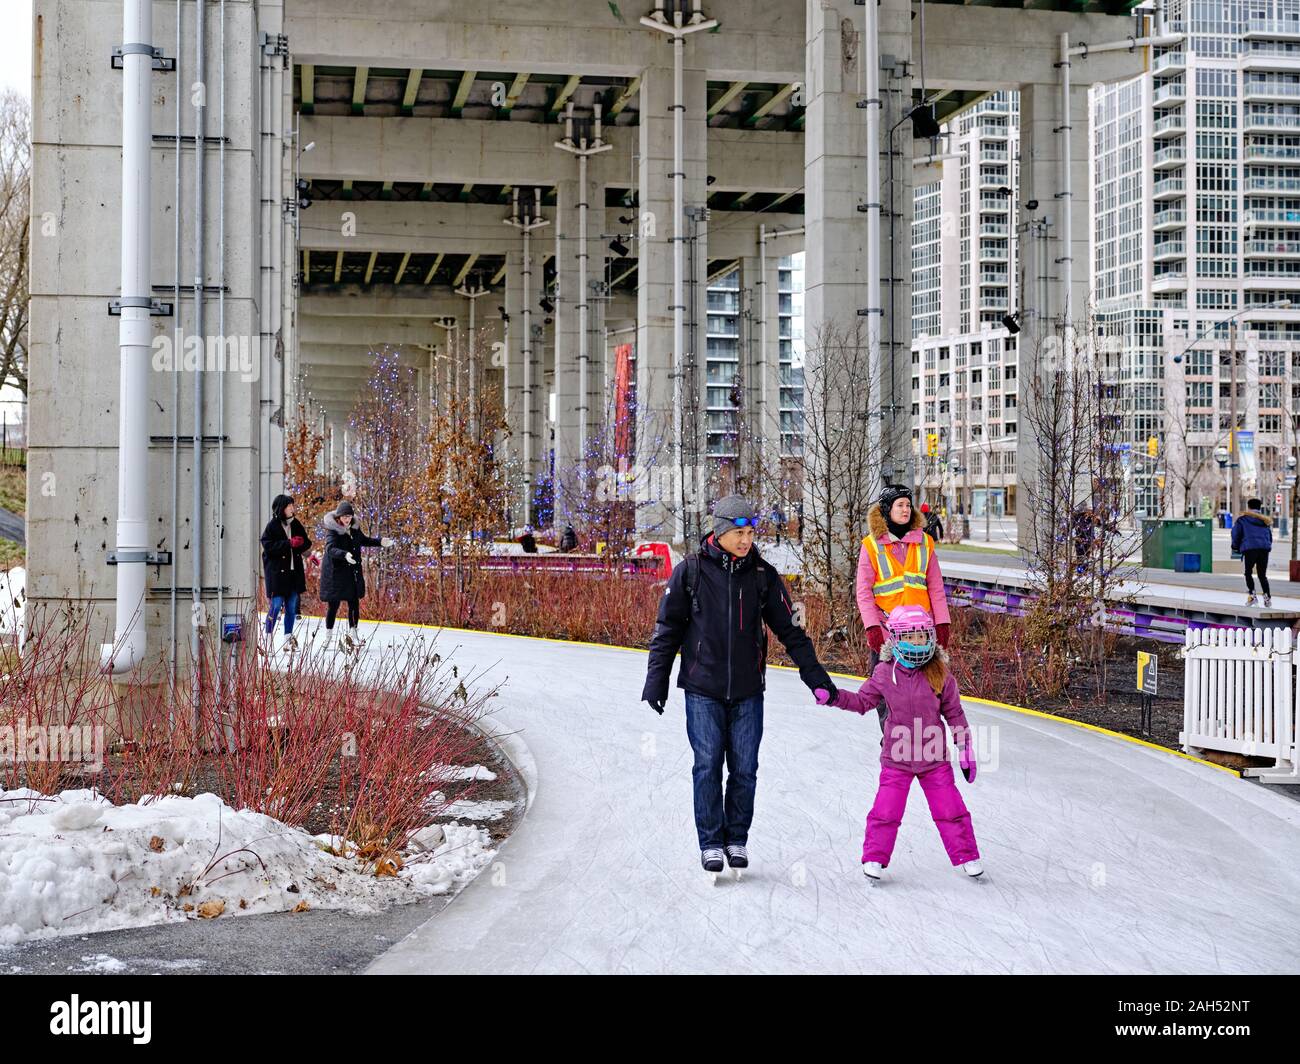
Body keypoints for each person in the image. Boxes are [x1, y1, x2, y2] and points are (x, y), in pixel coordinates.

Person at [641, 495, 837, 878]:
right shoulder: (691, 572)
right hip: (702, 688)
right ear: (720, 531)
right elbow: (667, 630)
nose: (746, 540)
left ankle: (736, 838)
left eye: (750, 532)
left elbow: (791, 632)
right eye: (738, 533)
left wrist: (816, 677)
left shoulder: (762, 576)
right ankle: (712, 842)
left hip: (748, 691)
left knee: (745, 769)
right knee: (708, 766)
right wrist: (656, 681)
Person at [814, 605, 982, 882]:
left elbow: (954, 713)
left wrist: (965, 749)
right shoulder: (883, 673)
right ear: (896, 638)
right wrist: (833, 697)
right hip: (897, 758)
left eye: (922, 636)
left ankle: (968, 855)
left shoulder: (940, 673)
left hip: (933, 759)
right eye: (910, 637)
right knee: (886, 811)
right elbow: (861, 701)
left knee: (951, 809)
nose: (918, 642)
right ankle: (874, 858)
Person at [856, 484, 951, 674]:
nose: (906, 510)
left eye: (908, 505)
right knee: (885, 691)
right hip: (887, 631)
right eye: (899, 505)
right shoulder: (871, 545)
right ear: (887, 509)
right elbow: (864, 592)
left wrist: (942, 622)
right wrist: (872, 627)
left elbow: (936, 588)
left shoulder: (925, 542)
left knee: (926, 690)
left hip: (921, 633)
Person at [319, 500, 396, 650]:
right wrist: (344, 554)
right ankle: (328, 636)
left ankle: (353, 635)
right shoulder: (333, 531)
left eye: (349, 516)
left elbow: (364, 540)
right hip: (335, 574)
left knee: (354, 603)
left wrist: (381, 542)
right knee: (333, 606)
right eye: (344, 516)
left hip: (351, 573)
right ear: (338, 517)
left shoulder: (354, 529)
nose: (347, 519)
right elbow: (330, 549)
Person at [260, 493, 311, 651]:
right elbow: (267, 545)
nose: (292, 508)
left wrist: (304, 547)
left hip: (293, 574)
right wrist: (288, 543)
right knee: (275, 606)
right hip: (277, 574)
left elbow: (305, 542)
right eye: (289, 506)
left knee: (291, 607)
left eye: (292, 505)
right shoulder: (272, 526)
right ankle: (267, 638)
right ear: (281, 508)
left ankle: (288, 639)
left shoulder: (296, 524)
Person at [1232, 497, 1274, 607]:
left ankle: (1252, 596)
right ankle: (1267, 598)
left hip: (1250, 548)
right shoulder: (1265, 521)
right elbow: (1269, 536)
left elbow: (1236, 534)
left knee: (1248, 572)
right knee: (1262, 575)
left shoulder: (1243, 520)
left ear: (1249, 507)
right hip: (1264, 549)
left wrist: (1235, 546)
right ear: (1260, 507)